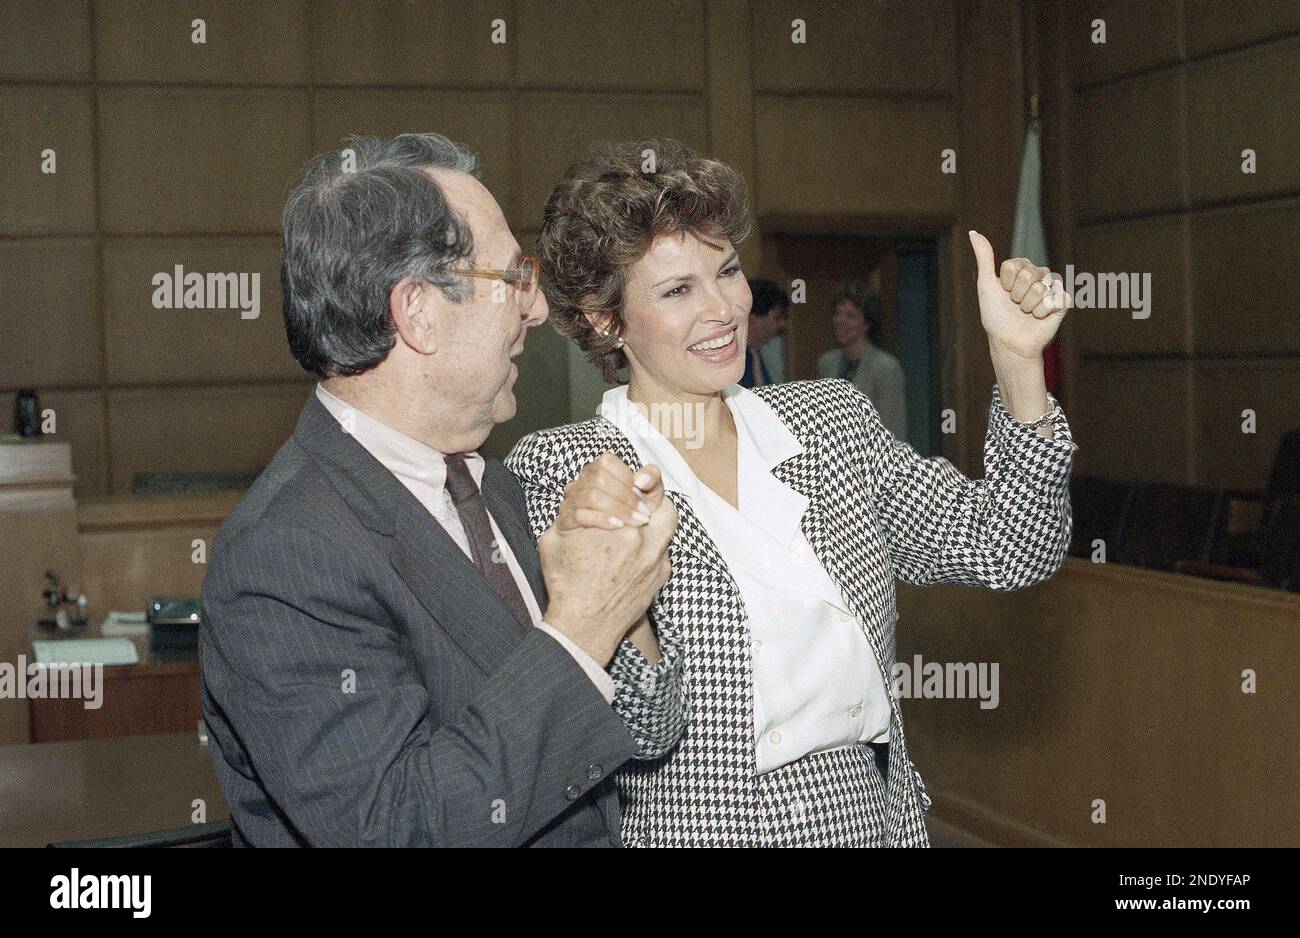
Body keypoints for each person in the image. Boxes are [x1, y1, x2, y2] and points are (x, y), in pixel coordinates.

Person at [506, 138, 1078, 847]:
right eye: (679, 290)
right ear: (605, 318)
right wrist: (619, 596)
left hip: (868, 819)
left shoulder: (830, 423)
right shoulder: (568, 471)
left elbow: (1012, 547)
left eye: (727, 272)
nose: (722, 310)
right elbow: (636, 734)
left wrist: (1019, 362)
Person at [199, 133, 680, 847]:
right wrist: (583, 626)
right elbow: (402, 827)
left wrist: (624, 607)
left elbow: (625, 741)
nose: (538, 311)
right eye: (514, 279)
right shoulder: (283, 555)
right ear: (417, 311)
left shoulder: (497, 487)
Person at [817, 284, 908, 440]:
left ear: (867, 324)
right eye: (838, 313)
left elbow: (893, 429)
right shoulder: (827, 363)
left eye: (851, 316)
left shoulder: (885, 367)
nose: (841, 321)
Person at [740, 278, 788, 387]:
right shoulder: (732, 358)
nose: (782, 324)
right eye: (777, 317)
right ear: (752, 317)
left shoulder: (767, 354)